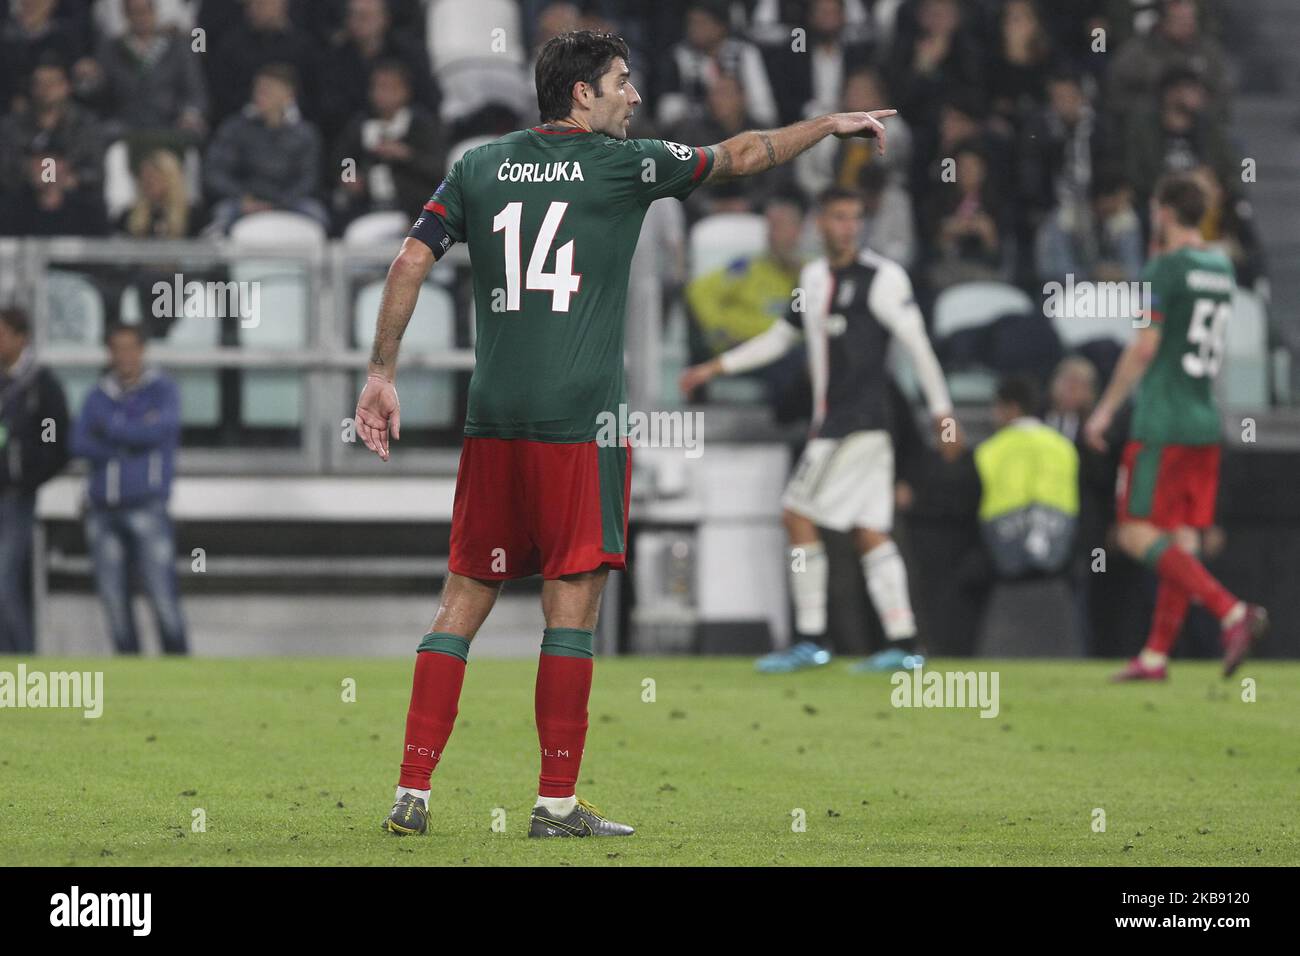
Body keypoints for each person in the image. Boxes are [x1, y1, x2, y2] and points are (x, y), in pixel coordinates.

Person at [353, 30, 896, 838]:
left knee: (463, 598)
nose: (634, 95)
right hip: (581, 422)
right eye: (620, 80)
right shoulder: (624, 165)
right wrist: (827, 124)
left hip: (494, 418)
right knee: (571, 606)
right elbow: (744, 154)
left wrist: (381, 373)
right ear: (582, 93)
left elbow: (406, 263)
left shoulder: (478, 165)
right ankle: (556, 804)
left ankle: (412, 791)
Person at [679, 186, 960, 675]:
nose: (848, 226)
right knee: (870, 531)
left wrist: (944, 414)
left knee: (795, 515)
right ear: (820, 224)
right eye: (838, 217)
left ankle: (811, 637)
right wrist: (715, 368)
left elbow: (918, 346)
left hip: (853, 426)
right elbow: (779, 340)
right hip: (848, 429)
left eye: (854, 217)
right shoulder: (811, 278)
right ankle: (904, 640)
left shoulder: (883, 278)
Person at [1083, 173, 1267, 681]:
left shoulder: (1165, 268)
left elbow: (1145, 347)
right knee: (1181, 539)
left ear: (1162, 212)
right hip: (1204, 420)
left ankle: (1231, 611)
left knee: (1135, 531)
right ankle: (1156, 655)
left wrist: (1104, 410)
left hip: (1162, 420)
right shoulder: (1221, 267)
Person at [70, 323, 187, 655]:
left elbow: (159, 433)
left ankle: (184, 677)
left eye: (130, 347)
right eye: (117, 348)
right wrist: (128, 439)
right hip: (102, 509)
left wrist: (108, 429)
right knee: (114, 603)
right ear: (109, 353)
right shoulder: (97, 393)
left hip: (147, 505)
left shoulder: (162, 390)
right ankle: (130, 678)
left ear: (142, 350)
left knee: (163, 597)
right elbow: (77, 443)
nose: (124, 355)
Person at [0, 307, 70, 653]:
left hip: (15, 496)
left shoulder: (40, 385)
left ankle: (21, 659)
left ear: (20, 337)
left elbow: (54, 439)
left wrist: (28, 478)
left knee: (5, 582)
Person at [203, 62, 326, 234]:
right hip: (244, 199)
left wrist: (279, 204)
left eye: (268, 90)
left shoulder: (306, 134)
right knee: (220, 216)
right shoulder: (234, 128)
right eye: (258, 89)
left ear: (288, 95)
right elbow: (215, 173)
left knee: (316, 214)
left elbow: (308, 180)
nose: (260, 95)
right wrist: (243, 197)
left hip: (290, 202)